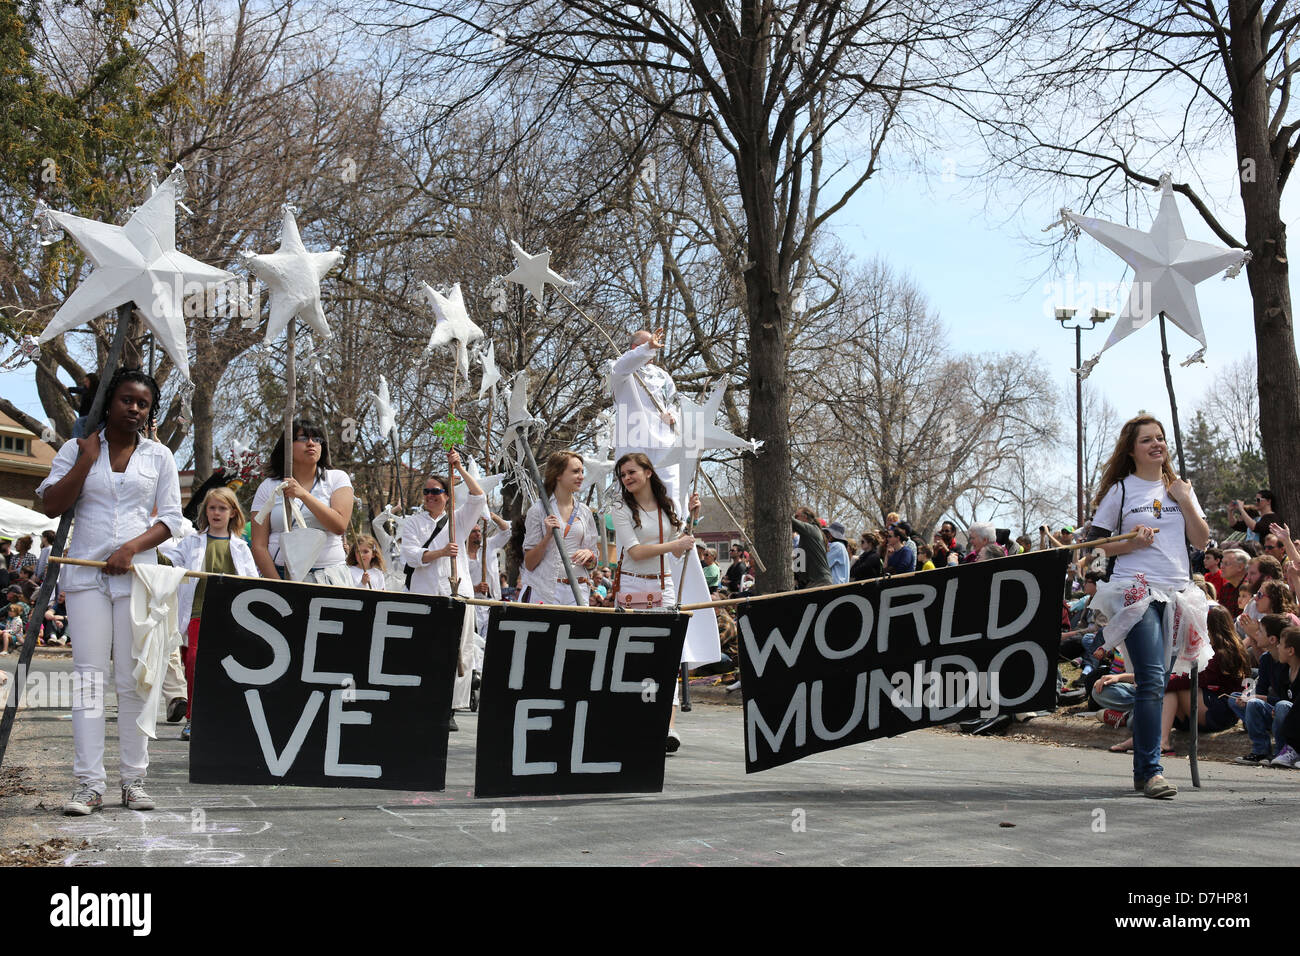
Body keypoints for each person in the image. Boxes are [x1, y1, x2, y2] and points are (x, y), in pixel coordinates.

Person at [37, 368, 184, 815]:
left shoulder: (159, 457)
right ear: (108, 402)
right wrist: (86, 459)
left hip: (137, 577)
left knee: (133, 679)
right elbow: (50, 504)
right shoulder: (76, 448)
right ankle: (88, 784)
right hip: (84, 578)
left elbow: (172, 520)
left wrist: (131, 548)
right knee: (87, 678)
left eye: (143, 403)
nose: (134, 409)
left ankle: (134, 781)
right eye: (126, 400)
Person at [1086, 415, 1210, 799]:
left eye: (1160, 439)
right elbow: (1097, 545)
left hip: (1177, 593)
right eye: (1147, 440)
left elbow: (1202, 540)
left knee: (1159, 679)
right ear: (1132, 449)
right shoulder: (1121, 491)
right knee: (1153, 677)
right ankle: (1152, 770)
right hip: (1135, 590)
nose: (1157, 444)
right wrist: (1132, 544)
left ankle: (1144, 770)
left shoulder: (1179, 489)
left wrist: (1186, 501)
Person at [610, 452, 698, 751]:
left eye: (631, 471)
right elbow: (634, 552)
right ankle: (633, 720)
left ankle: (667, 727)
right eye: (622, 475)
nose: (627, 478)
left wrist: (691, 523)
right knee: (635, 657)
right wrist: (676, 543)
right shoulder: (621, 508)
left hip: (663, 586)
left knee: (666, 657)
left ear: (648, 472)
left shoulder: (666, 506)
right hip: (633, 586)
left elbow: (677, 552)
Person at [159, 487, 256, 742]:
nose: (216, 512)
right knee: (193, 662)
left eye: (222, 508)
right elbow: (171, 562)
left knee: (228, 666)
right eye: (212, 508)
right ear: (205, 511)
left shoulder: (242, 548)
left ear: (232, 513)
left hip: (231, 615)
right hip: (198, 611)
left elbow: (253, 581)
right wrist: (153, 553)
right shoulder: (191, 542)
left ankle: (224, 716)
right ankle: (193, 718)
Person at [401, 450, 486, 728]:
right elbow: (412, 555)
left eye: (436, 491)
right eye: (426, 492)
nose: (430, 496)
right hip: (425, 594)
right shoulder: (413, 522)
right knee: (427, 649)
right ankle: (425, 700)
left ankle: (450, 706)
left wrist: (459, 468)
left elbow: (479, 497)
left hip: (457, 591)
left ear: (447, 495)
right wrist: (439, 553)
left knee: (459, 651)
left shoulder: (458, 520)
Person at [250, 419, 355, 585]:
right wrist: (280, 585)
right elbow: (259, 545)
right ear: (287, 446)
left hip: (328, 577)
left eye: (317, 440)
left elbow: (339, 525)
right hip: (280, 576)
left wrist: (303, 495)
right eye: (303, 438)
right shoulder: (269, 486)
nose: (311, 443)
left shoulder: (336, 478)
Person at [610, 329, 680, 505]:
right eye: (649, 344)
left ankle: (675, 528)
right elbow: (623, 365)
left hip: (663, 441)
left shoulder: (663, 376)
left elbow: (675, 402)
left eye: (655, 345)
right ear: (635, 347)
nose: (654, 349)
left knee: (670, 488)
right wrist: (647, 348)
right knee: (631, 490)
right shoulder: (620, 369)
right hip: (633, 441)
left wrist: (672, 415)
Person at [520, 451, 600, 605]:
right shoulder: (538, 510)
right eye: (576, 471)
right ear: (558, 474)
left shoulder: (585, 512)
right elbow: (529, 564)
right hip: (547, 590)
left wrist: (589, 555)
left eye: (582, 472)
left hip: (578, 590)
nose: (581, 476)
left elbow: (594, 563)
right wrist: (547, 537)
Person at [792, 506, 830, 588]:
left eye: (796, 516)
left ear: (805, 517)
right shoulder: (805, 537)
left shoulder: (811, 529)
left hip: (820, 581)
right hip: (813, 582)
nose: (795, 518)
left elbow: (791, 521)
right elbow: (800, 563)